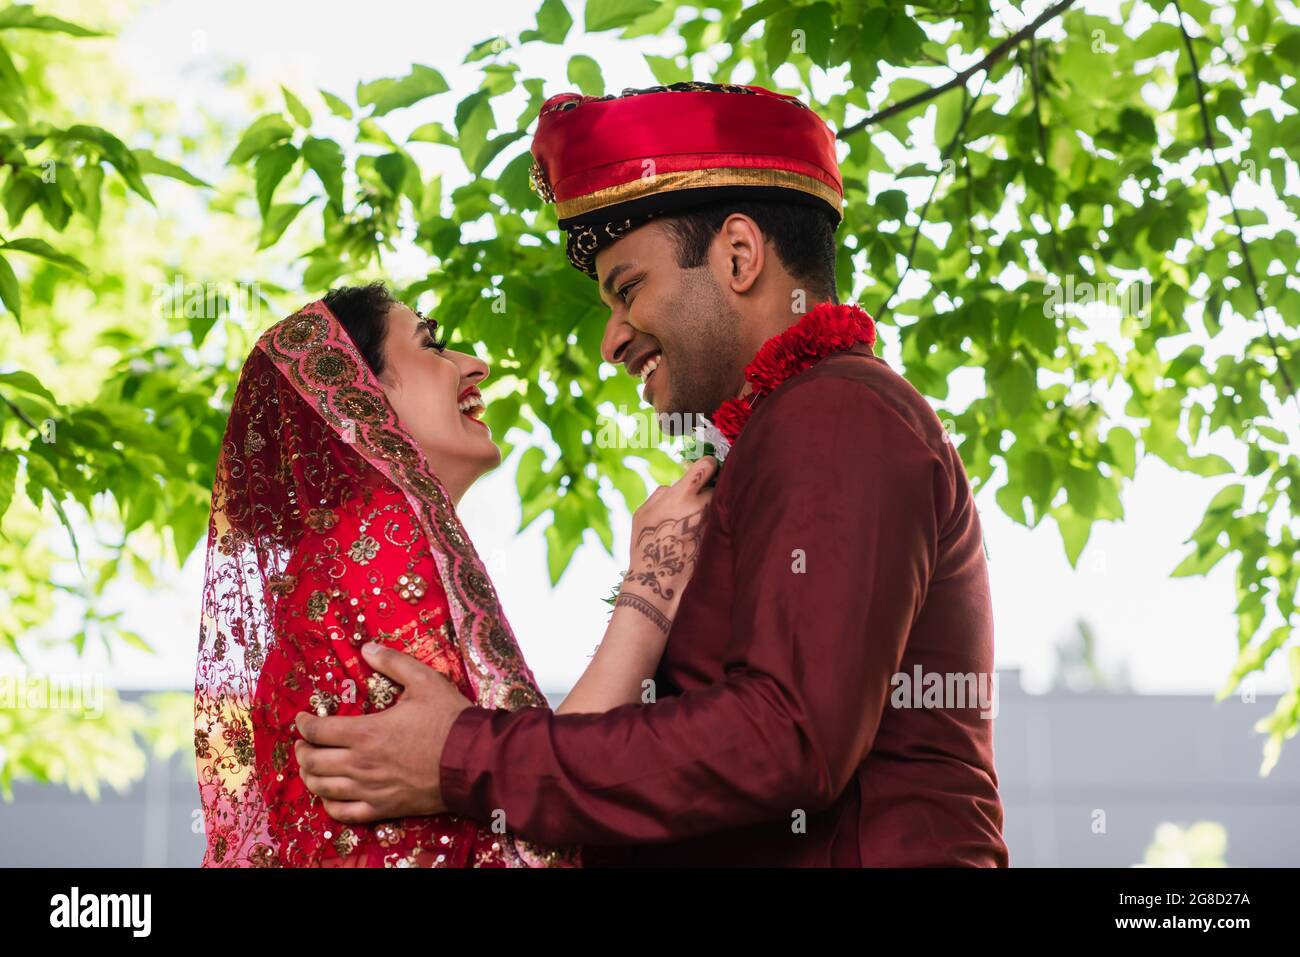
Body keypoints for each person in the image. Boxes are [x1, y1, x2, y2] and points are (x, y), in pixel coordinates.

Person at [295, 82, 1009, 866]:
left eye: (628, 288)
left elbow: (786, 737)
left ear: (738, 256)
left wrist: (463, 755)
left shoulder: (835, 409)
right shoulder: (789, 428)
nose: (612, 340)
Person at [194, 281, 715, 867]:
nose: (476, 365)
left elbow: (509, 770)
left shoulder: (336, 565)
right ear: (358, 401)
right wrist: (653, 580)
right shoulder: (379, 545)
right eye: (433, 347)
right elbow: (541, 799)